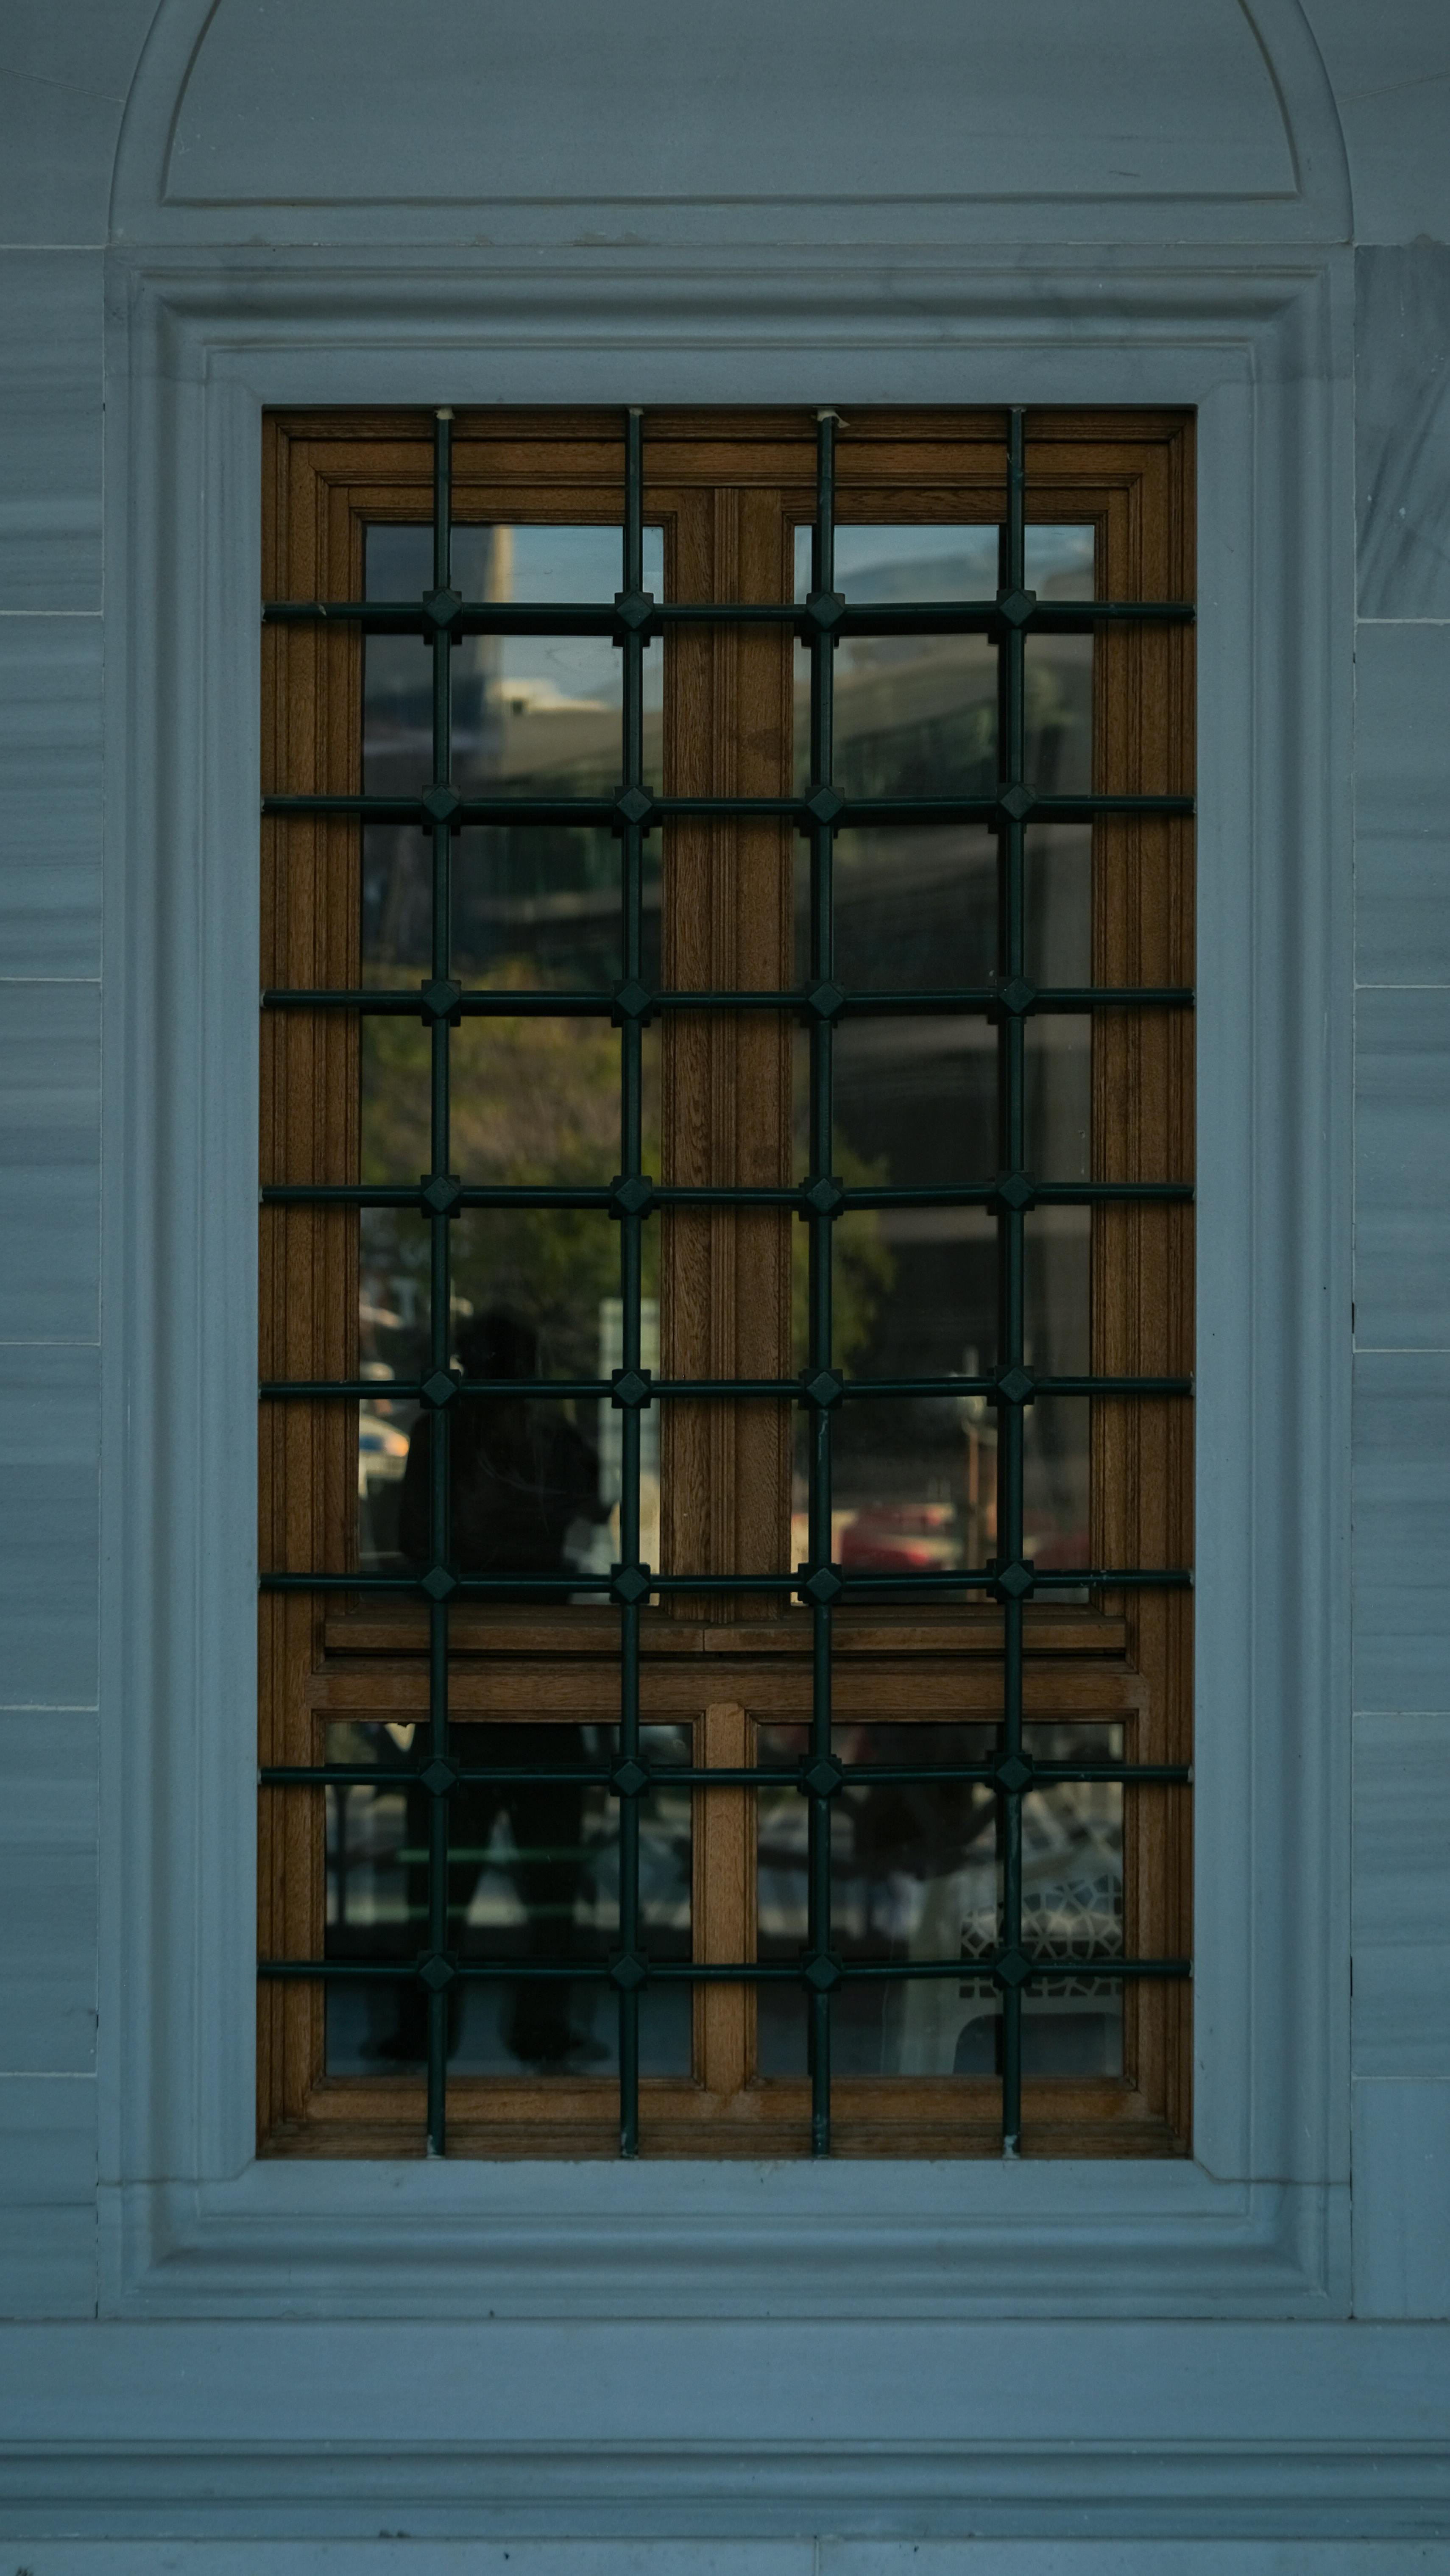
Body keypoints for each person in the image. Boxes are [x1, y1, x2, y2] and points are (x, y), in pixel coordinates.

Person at [374, 1309, 608, 2070]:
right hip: (529, 1679)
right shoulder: (543, 1440)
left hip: (474, 1678)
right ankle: (532, 2026)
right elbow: (585, 1519)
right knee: (538, 1881)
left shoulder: (449, 1437)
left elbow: (418, 1542)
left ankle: (428, 2031)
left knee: (447, 1884)